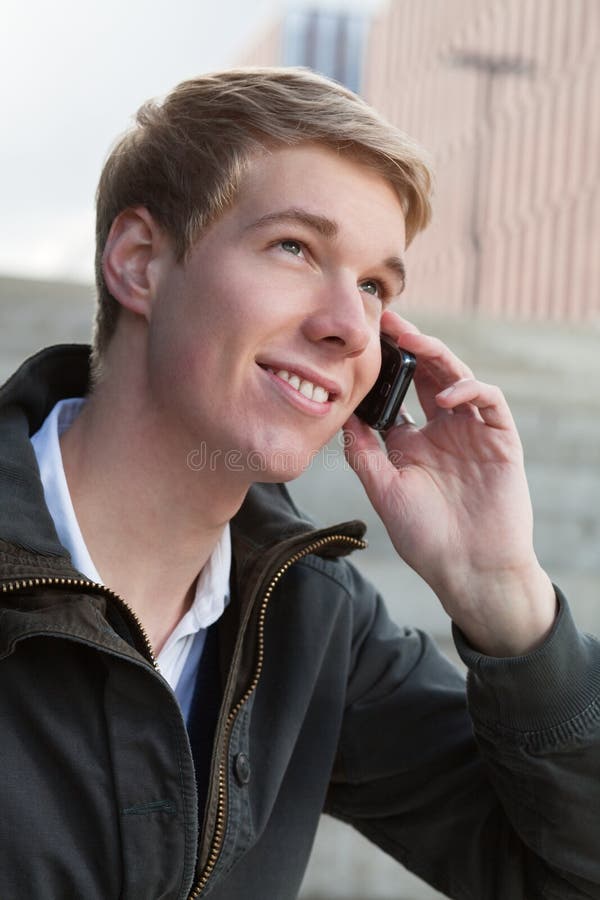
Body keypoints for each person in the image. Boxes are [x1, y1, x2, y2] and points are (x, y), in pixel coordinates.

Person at [0, 67, 598, 900]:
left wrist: (502, 591)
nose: (350, 327)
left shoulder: (315, 621)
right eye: (295, 248)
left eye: (374, 287)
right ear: (139, 263)